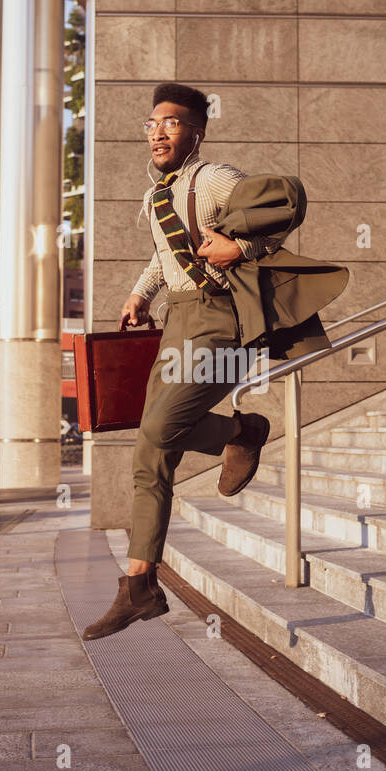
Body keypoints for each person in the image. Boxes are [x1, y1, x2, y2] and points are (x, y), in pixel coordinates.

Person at [82, 83, 273, 641]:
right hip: (179, 319)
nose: (158, 132)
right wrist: (141, 293)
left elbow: (274, 214)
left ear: (197, 132)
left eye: (171, 123)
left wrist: (241, 249)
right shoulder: (160, 191)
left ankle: (244, 430)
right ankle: (140, 584)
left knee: (160, 429)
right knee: (152, 446)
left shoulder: (213, 178)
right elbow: (163, 253)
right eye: (151, 123)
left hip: (222, 319)